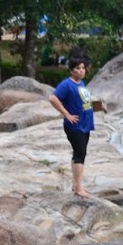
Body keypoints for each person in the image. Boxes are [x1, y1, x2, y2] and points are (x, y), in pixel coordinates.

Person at [49, 57, 94, 197]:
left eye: (82, 68)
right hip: (75, 126)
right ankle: (79, 188)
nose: (81, 71)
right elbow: (53, 98)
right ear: (71, 70)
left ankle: (76, 185)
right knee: (80, 154)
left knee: (79, 154)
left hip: (85, 124)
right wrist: (66, 114)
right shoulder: (66, 84)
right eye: (77, 68)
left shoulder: (81, 83)